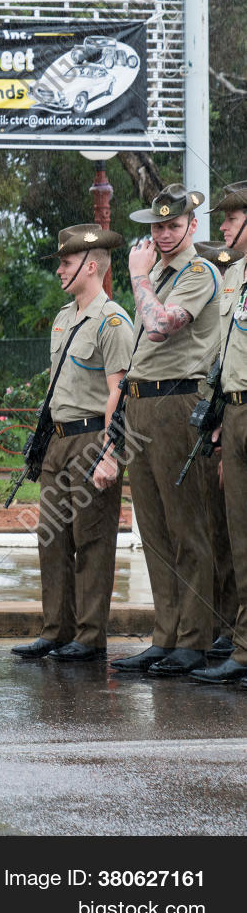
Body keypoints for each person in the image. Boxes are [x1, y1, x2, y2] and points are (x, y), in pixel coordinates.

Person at [109, 185, 222, 676]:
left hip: (179, 402)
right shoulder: (155, 274)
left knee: (187, 527)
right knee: (153, 530)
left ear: (192, 227)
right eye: (157, 227)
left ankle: (195, 640)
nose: (163, 234)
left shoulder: (199, 273)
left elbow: (159, 327)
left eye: (172, 226)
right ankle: (166, 635)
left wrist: (137, 278)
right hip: (142, 405)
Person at [10, 225, 130, 662]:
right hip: (59, 440)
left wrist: (111, 453)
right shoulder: (64, 318)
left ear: (91, 265)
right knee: (53, 538)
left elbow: (119, 393)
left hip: (91, 439)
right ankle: (55, 630)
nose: (60, 270)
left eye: (66, 262)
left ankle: (89, 635)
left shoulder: (114, 321)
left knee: (92, 539)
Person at [200, 180, 247, 660]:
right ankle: (242, 647)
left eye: (232, 219)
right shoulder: (236, 277)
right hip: (234, 411)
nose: (224, 227)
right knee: (239, 537)